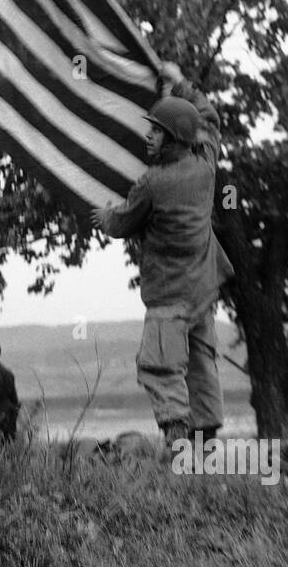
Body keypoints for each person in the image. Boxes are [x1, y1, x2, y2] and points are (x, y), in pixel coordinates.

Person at [92, 61, 234, 455]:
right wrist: (179, 84)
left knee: (159, 366)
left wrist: (104, 216)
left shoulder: (152, 183)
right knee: (202, 364)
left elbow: (121, 223)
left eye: (157, 131)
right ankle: (206, 442)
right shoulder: (205, 165)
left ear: (172, 139)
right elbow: (209, 120)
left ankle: (178, 442)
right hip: (203, 290)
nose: (149, 137)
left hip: (169, 296)